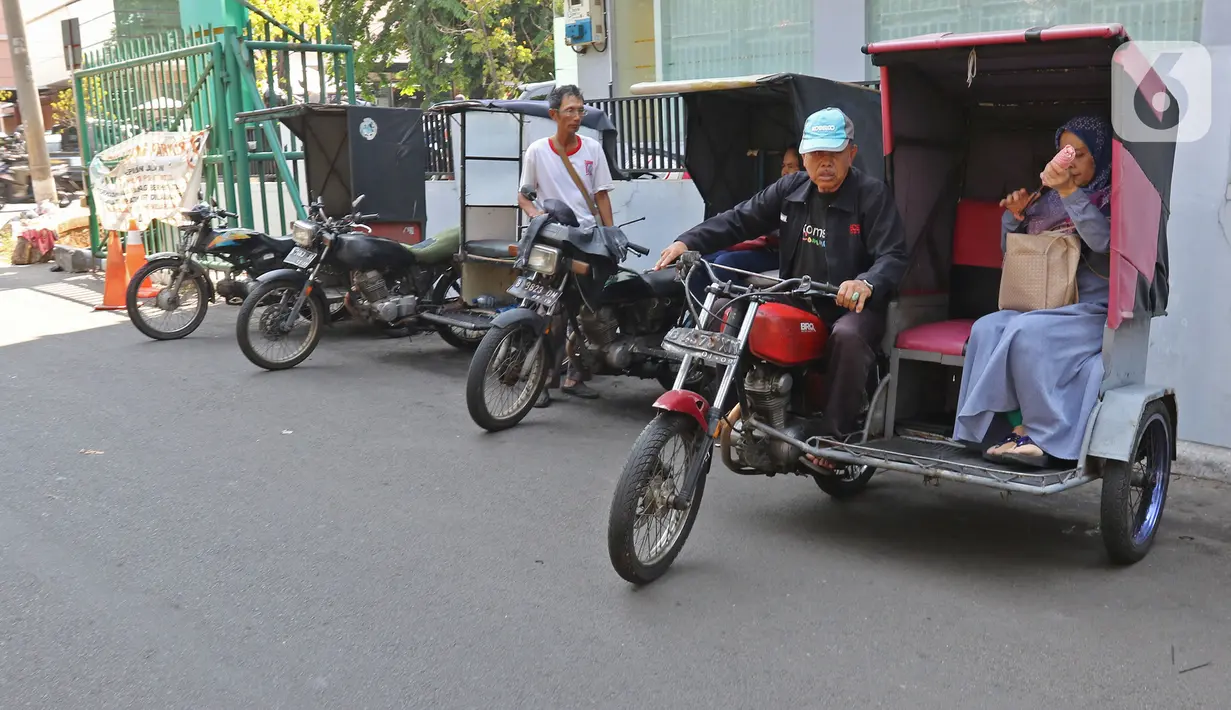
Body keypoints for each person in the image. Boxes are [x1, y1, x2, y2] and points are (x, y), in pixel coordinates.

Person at [656, 107, 908, 445]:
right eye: (816, 153)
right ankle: (733, 405)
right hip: (797, 297)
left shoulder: (872, 195)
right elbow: (739, 219)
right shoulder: (791, 189)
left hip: (853, 308)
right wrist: (687, 240)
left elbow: (893, 254)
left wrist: (865, 282)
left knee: (848, 336)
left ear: (851, 153)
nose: (825, 162)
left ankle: (836, 436)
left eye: (834, 153)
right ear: (803, 157)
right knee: (732, 308)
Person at [953, 115, 1114, 467]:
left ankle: (1037, 433)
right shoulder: (1047, 200)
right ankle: (990, 431)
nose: (1070, 162)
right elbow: (1012, 254)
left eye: (1080, 154)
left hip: (1088, 311)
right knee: (986, 328)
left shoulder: (1111, 199)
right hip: (1042, 303)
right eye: (1064, 153)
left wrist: (1070, 193)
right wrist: (1014, 216)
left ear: (1100, 157)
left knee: (1025, 331)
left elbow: (1102, 242)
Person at [517, 84, 615, 406]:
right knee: (549, 310)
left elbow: (601, 196)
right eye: (570, 110)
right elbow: (524, 195)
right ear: (554, 114)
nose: (576, 116)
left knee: (585, 308)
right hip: (551, 239)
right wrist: (536, 216)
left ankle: (575, 375)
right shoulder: (537, 151)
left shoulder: (592, 150)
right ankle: (543, 380)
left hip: (585, 239)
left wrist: (610, 236)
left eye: (580, 110)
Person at [685, 148, 802, 306]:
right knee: (699, 264)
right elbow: (744, 217)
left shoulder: (803, 191)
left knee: (724, 262)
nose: (785, 171)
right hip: (764, 247)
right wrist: (687, 241)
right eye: (783, 165)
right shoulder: (780, 191)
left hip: (784, 254)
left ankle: (737, 316)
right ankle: (704, 319)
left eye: (791, 166)